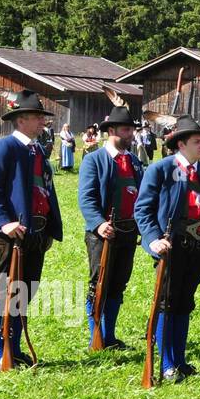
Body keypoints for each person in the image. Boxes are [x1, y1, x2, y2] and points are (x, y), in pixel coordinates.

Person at [135, 115, 200, 382]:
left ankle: (180, 359)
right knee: (167, 304)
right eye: (197, 141)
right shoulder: (160, 170)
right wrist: (153, 240)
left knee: (185, 303)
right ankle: (167, 362)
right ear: (181, 144)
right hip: (171, 247)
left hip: (197, 247)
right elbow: (143, 209)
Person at [0, 91, 62, 369]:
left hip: (35, 234)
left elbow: (46, 191)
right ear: (22, 119)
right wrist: (4, 220)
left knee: (26, 291)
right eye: (38, 117)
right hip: (7, 234)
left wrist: (50, 228)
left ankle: (14, 351)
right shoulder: (3, 148)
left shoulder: (37, 150)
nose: (43, 121)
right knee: (5, 292)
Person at [77, 105, 143, 350]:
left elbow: (142, 196)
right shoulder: (94, 160)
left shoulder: (134, 161)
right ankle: (96, 338)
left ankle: (110, 335)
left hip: (128, 232)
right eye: (126, 130)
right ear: (111, 130)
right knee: (99, 284)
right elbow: (86, 198)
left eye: (131, 130)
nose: (130, 134)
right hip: (103, 233)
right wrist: (99, 224)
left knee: (118, 284)